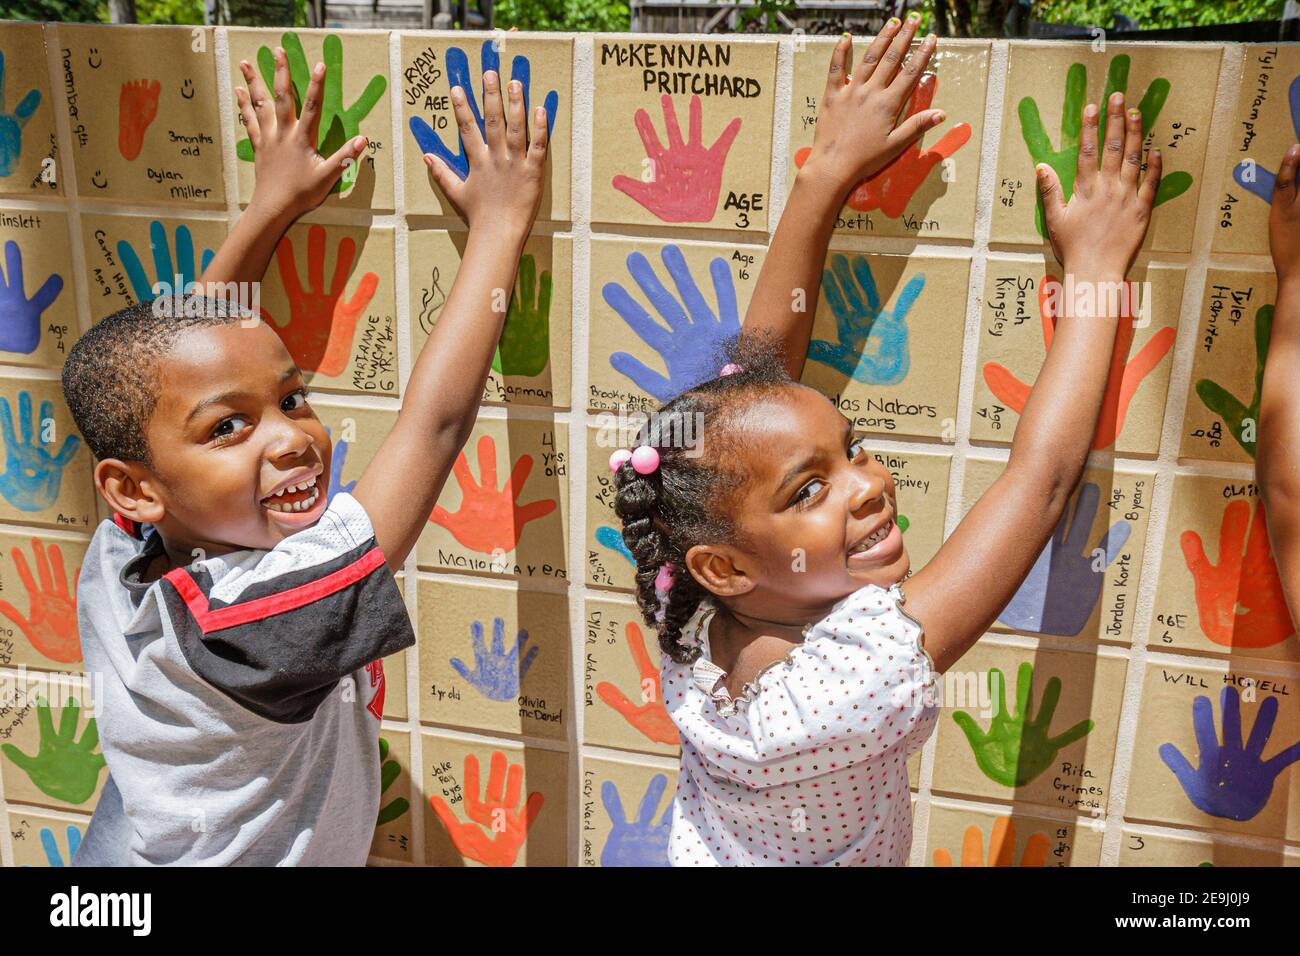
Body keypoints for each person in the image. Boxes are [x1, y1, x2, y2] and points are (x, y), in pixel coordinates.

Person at [612, 17, 1164, 865]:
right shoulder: (850, 685)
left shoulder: (696, 613)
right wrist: (1093, 275)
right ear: (726, 564)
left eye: (855, 446)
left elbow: (755, 388)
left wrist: (826, 173)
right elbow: (1041, 482)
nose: (868, 485)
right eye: (810, 490)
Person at [64, 48, 549, 864]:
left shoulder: (128, 541)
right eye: (229, 430)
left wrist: (269, 209)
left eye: (292, 399)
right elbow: (432, 427)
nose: (290, 436)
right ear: (135, 487)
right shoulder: (252, 623)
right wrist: (500, 227)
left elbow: (186, 363)